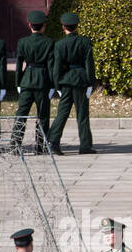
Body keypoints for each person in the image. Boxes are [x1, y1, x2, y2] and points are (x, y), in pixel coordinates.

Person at [47, 12, 94, 155]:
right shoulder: (85, 42)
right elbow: (89, 64)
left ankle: (53, 141)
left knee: (62, 113)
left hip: (66, 81)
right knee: (82, 115)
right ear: (77, 26)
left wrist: (57, 85)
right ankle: (85, 145)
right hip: (80, 80)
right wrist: (90, 83)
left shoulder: (60, 44)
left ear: (63, 27)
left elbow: (57, 67)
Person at [11, 11, 54, 153]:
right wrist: (53, 84)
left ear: (29, 25)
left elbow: (19, 64)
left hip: (27, 80)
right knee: (43, 115)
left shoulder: (22, 42)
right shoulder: (49, 42)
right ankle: (41, 146)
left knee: (21, 114)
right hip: (42, 81)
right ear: (43, 26)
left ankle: (15, 145)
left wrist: (18, 82)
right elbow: (51, 66)